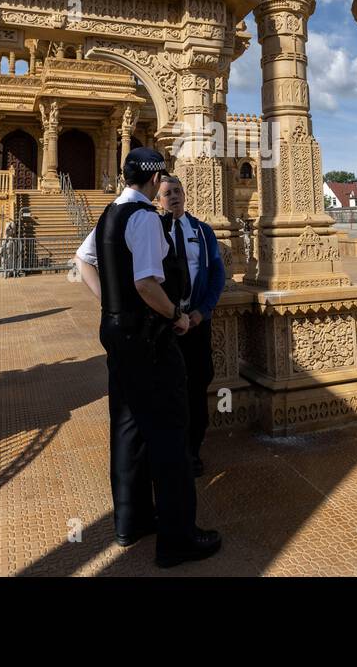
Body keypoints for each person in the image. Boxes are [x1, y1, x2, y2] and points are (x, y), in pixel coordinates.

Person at [74, 148, 222, 568]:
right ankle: (178, 538)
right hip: (148, 337)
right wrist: (174, 315)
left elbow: (83, 261)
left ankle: (131, 520)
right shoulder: (145, 219)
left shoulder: (109, 214)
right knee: (171, 432)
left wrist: (110, 306)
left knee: (127, 427)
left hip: (117, 333)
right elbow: (146, 283)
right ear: (156, 180)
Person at [155, 174, 227, 477]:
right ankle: (170, 451)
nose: (174, 196)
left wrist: (202, 311)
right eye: (167, 193)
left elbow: (216, 275)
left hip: (196, 322)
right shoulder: (154, 231)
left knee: (198, 384)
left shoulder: (202, 230)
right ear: (158, 200)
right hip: (166, 325)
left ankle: (193, 451)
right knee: (169, 389)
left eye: (178, 191)